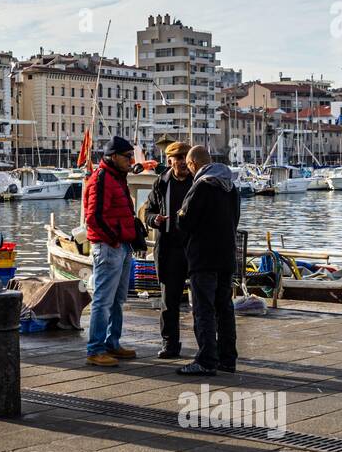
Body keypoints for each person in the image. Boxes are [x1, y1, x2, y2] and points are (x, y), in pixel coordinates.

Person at [174, 145, 241, 377]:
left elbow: (185, 221)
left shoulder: (201, 186)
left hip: (203, 257)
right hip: (226, 256)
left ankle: (206, 360)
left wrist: (177, 218)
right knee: (224, 308)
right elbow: (236, 219)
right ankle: (227, 358)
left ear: (193, 164)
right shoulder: (231, 187)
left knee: (203, 309)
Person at [82, 136, 143, 367]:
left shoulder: (117, 178)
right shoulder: (102, 179)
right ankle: (95, 349)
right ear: (113, 156)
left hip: (120, 246)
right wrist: (115, 240)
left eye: (131, 156)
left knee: (117, 299)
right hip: (109, 247)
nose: (131, 161)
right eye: (127, 157)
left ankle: (111, 343)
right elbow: (94, 217)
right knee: (103, 300)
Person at [142, 141, 193, 360]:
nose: (182, 162)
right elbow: (147, 212)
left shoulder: (197, 182)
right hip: (169, 248)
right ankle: (170, 344)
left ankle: (208, 346)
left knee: (201, 301)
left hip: (193, 248)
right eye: (178, 158)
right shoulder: (160, 184)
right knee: (168, 302)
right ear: (169, 161)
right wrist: (155, 220)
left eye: (185, 157)